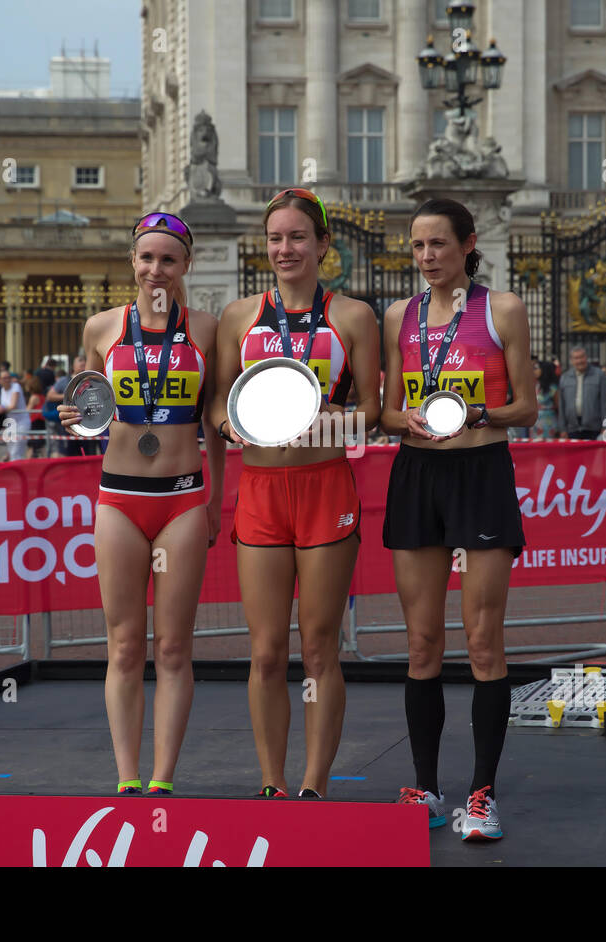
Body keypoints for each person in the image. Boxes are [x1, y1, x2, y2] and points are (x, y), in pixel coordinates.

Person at [211, 188, 380, 801]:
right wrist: (230, 424)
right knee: (264, 651)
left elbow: (373, 413)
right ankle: (272, 783)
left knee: (318, 647)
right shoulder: (239, 316)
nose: (286, 249)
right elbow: (217, 403)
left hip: (325, 485)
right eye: (276, 238)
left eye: (298, 237)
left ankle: (314, 784)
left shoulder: (354, 316)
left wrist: (329, 422)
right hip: (260, 487)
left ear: (323, 244)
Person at [380, 197, 535, 842]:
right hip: (418, 475)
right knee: (421, 644)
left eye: (438, 245)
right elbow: (386, 411)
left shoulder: (503, 309)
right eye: (417, 246)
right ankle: (425, 788)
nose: (426, 257)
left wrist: (478, 415)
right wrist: (406, 420)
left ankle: (482, 794)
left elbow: (526, 407)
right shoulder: (399, 315)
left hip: (481, 471)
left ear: (467, 244)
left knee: (481, 641)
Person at [58, 211, 224, 797]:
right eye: (146, 257)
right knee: (124, 643)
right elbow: (85, 405)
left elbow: (214, 422)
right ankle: (127, 776)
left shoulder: (207, 329)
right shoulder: (101, 328)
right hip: (118, 500)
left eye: (169, 259)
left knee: (174, 646)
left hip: (181, 500)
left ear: (186, 266)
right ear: (133, 262)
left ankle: (163, 779)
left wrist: (215, 502)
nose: (156, 269)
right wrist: (72, 416)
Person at [558, 346, 606, 439]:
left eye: (581, 357)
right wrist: (562, 429)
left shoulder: (599, 375)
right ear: (572, 360)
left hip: (595, 428)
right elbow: (561, 405)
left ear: (586, 357)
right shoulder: (565, 378)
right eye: (576, 358)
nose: (579, 361)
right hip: (572, 429)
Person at [0, 368, 29, 460]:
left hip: (21, 422)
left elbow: (13, 405)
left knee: (17, 451)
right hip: (9, 422)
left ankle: (18, 470)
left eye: (9, 377)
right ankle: (14, 471)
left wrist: (0, 408)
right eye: (4, 378)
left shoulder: (16, 386)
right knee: (11, 451)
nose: (7, 380)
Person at [530, 360, 559, 441]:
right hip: (535, 423)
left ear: (544, 370)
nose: (533, 371)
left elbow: (558, 406)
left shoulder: (552, 388)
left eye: (536, 368)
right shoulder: (535, 385)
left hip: (549, 422)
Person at [26, 376, 48, 457]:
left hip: (35, 423)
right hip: (41, 422)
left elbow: (27, 410)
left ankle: (27, 465)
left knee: (31, 446)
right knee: (41, 446)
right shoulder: (42, 397)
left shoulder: (34, 397)